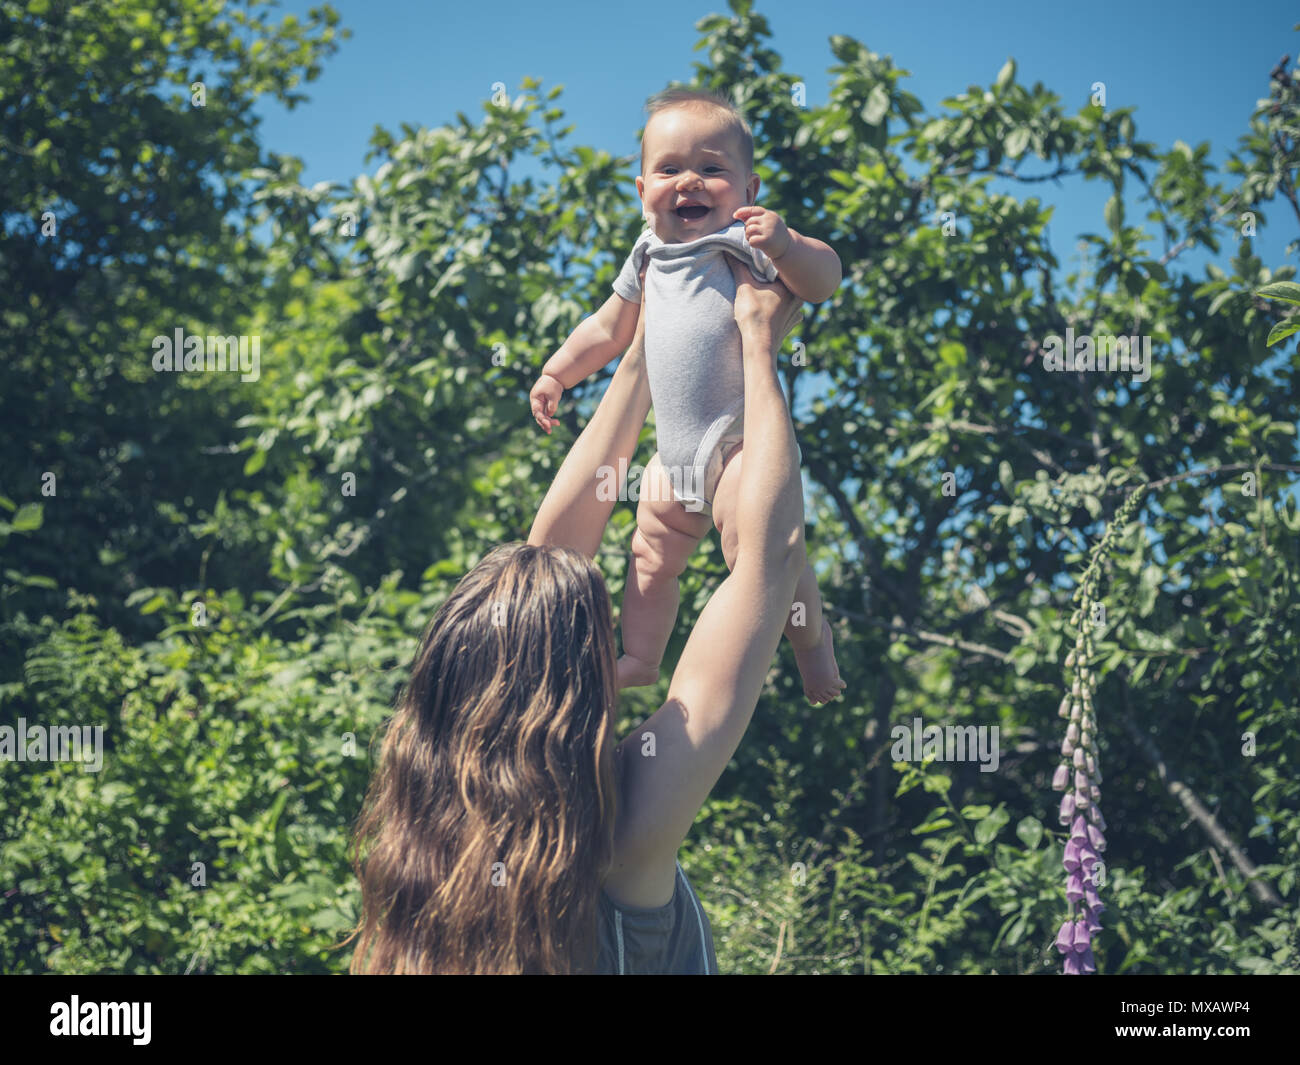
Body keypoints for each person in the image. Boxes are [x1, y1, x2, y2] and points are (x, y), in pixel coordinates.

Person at [349, 260, 807, 974]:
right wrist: (756, 346)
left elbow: (532, 611)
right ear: (578, 682)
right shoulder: (623, 833)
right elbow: (767, 561)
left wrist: (647, 356)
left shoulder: (424, 863)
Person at [529, 87, 845, 705]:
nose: (690, 182)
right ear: (642, 190)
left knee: (763, 554)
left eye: (712, 169)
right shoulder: (646, 254)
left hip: (737, 446)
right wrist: (557, 373)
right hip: (671, 458)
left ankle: (813, 647)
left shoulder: (746, 241)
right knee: (647, 552)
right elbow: (606, 328)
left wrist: (786, 245)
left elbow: (825, 279)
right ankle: (641, 657)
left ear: (749, 192)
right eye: (669, 169)